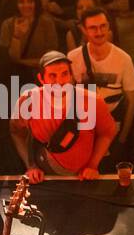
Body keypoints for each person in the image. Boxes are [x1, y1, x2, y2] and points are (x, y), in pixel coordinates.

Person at [10, 51, 117, 182]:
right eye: (52, 76)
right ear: (41, 79)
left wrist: (93, 165)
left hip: (83, 177)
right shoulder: (28, 100)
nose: (59, 81)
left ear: (71, 75)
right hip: (44, 176)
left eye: (64, 74)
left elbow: (107, 133)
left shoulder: (92, 100)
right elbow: (16, 131)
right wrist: (31, 165)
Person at [66, 6, 134, 163]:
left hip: (113, 129)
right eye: (93, 28)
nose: (99, 32)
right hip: (84, 131)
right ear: (84, 30)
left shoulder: (124, 59)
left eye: (103, 26)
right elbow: (66, 97)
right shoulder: (73, 57)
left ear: (108, 26)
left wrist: (122, 139)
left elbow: (132, 101)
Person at [0, 0, 60, 77]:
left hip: (42, 74)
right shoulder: (7, 25)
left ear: (35, 3)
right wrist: (16, 36)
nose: (26, 5)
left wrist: (22, 62)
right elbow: (10, 58)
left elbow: (50, 58)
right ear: (16, 4)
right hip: (16, 77)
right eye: (21, 2)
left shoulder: (47, 23)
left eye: (30, 1)